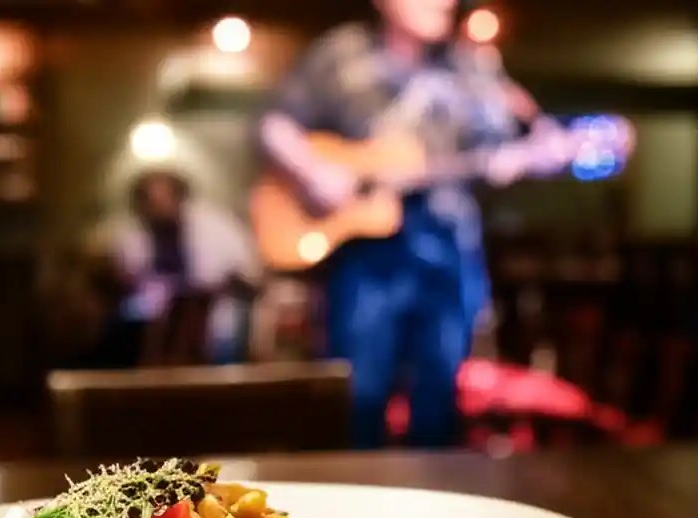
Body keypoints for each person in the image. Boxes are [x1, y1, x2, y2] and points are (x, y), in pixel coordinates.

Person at [258, 0, 567, 447]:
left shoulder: (473, 67)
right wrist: (314, 171)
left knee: (438, 403)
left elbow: (507, 149)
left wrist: (533, 155)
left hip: (448, 252)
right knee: (358, 400)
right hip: (368, 260)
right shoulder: (343, 54)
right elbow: (273, 125)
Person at [103, 170, 262, 366]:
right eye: (150, 201)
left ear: (180, 197)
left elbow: (247, 274)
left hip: (215, 328)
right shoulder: (129, 237)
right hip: (152, 329)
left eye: (164, 198)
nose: (159, 207)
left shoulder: (217, 228)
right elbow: (129, 282)